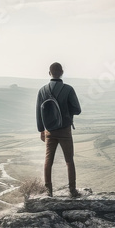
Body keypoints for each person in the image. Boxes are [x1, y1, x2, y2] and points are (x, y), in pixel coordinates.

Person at [36, 63, 81, 197]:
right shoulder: (68, 89)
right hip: (65, 130)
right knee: (69, 160)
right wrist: (66, 112)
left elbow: (38, 112)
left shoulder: (42, 90)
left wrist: (41, 130)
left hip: (49, 130)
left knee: (48, 160)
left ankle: (48, 191)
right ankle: (72, 190)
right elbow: (77, 110)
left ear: (49, 73)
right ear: (62, 72)